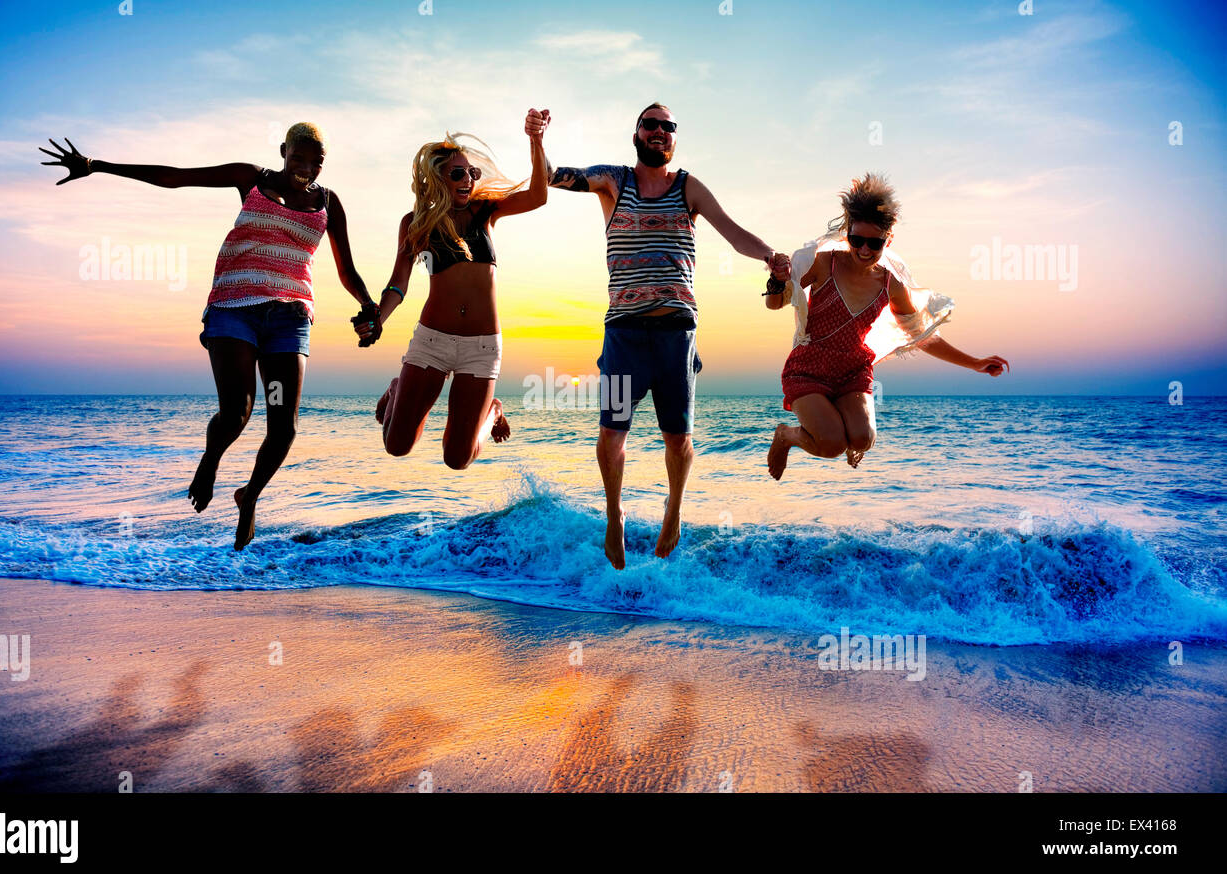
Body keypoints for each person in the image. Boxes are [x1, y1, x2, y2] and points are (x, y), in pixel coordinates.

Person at [40, 124, 376, 549]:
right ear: (282, 152)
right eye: (297, 159)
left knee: (283, 426)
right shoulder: (252, 178)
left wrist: (369, 307)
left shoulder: (329, 204)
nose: (305, 170)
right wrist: (97, 166)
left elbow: (346, 269)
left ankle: (248, 495)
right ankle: (210, 460)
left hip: (288, 321)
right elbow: (176, 176)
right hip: (234, 311)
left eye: (316, 163)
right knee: (237, 412)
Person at [547, 102, 789, 569]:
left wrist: (771, 257)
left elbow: (734, 233)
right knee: (611, 432)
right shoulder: (612, 180)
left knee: (677, 438)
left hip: (676, 334)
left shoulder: (688, 187)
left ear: (675, 137)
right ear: (636, 132)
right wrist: (537, 142)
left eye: (668, 126)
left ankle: (672, 509)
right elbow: (556, 176)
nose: (659, 131)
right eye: (650, 124)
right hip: (624, 335)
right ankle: (614, 515)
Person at [765, 173, 1010, 479]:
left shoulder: (891, 284)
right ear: (846, 234)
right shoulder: (824, 263)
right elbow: (775, 304)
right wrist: (777, 280)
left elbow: (921, 336)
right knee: (830, 445)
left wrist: (974, 363)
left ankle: (850, 432)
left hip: (852, 370)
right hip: (809, 367)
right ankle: (786, 436)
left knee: (864, 439)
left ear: (888, 240)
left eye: (875, 242)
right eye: (856, 240)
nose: (864, 250)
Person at [363, 109, 550, 469]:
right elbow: (398, 283)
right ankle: (396, 387)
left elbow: (538, 196)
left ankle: (492, 412)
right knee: (396, 445)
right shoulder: (415, 224)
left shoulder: (485, 212)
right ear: (437, 179)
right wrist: (378, 319)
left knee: (458, 459)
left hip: (481, 347)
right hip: (432, 341)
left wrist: (536, 141)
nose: (468, 180)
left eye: (472, 173)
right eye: (458, 174)